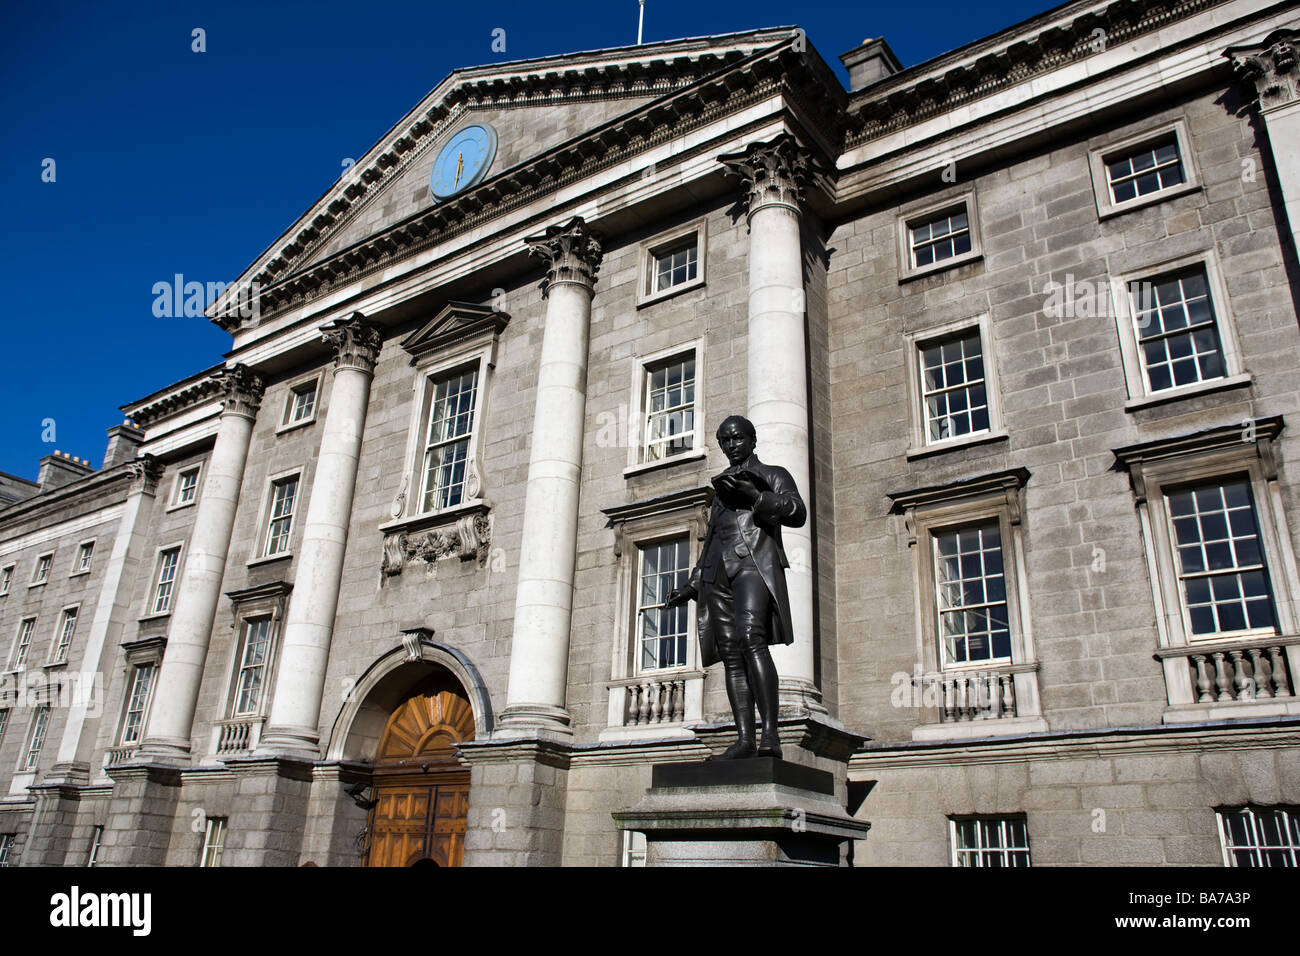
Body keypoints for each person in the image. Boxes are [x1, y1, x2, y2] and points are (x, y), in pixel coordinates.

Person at [665, 415, 806, 759]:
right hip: (716, 572)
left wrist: (757, 497)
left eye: (737, 439)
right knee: (730, 653)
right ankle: (745, 739)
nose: (731, 446)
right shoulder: (719, 490)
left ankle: (770, 735)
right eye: (725, 441)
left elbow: (796, 511)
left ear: (752, 440)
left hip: (751, 564)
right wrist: (692, 583)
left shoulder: (773, 473)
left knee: (751, 638)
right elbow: (711, 537)